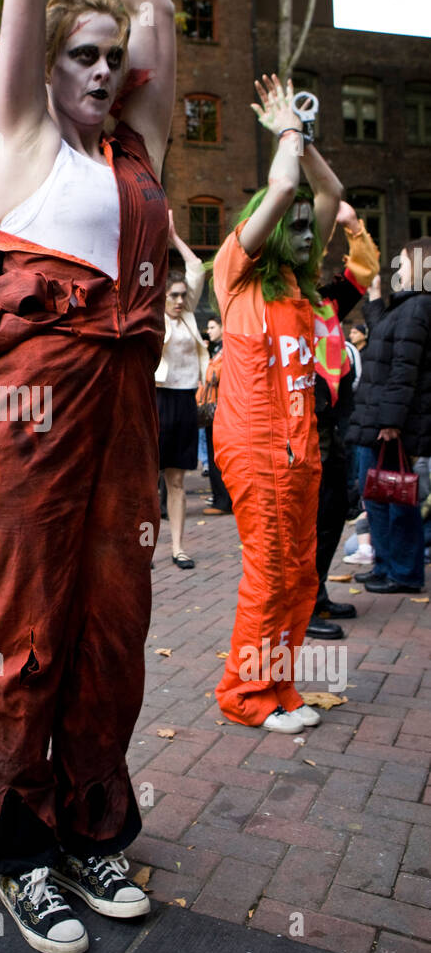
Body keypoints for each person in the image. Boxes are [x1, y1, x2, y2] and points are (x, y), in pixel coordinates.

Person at [0, 0, 172, 953]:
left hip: (123, 418)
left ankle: (92, 824)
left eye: (109, 60)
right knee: (24, 629)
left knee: (109, 628)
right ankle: (20, 849)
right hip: (28, 419)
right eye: (79, 57)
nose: (99, 68)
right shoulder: (25, 139)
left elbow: (152, 4)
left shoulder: (136, 149)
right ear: (47, 72)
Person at [213, 74, 343, 734]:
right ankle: (245, 696)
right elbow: (289, 188)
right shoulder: (234, 272)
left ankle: (280, 687)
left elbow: (328, 193)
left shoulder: (298, 281)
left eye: (304, 230)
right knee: (268, 572)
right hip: (254, 445)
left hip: (300, 449)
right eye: (285, 223)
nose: (300, 228)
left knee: (299, 575)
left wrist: (305, 136)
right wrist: (287, 129)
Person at [307, 201, 378, 636]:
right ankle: (301, 607)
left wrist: (352, 225)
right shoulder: (276, 302)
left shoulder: (327, 301)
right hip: (298, 429)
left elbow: (365, 273)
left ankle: (315, 593)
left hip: (329, 427)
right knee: (305, 521)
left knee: (332, 512)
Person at [347, 236, 431, 594]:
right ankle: (385, 565)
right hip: (377, 418)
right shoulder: (406, 306)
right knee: (378, 496)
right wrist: (376, 297)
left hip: (392, 423)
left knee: (397, 499)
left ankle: (404, 572)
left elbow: (404, 367)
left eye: (404, 262)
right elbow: (383, 337)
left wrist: (391, 422)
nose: (398, 267)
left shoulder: (420, 306)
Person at [156, 214, 209, 567]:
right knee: (147, 481)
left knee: (177, 481)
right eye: (173, 295)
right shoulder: (152, 315)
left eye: (182, 295)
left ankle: (177, 548)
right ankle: (145, 547)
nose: (179, 300)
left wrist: (174, 237)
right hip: (156, 399)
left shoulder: (188, 316)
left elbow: (197, 268)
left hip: (186, 399)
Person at [199, 316, 232, 515]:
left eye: (212, 327)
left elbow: (212, 375)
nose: (209, 331)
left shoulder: (225, 350)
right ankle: (219, 498)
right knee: (213, 455)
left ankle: (223, 501)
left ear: (222, 327)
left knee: (218, 456)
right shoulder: (215, 350)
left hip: (220, 409)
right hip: (213, 409)